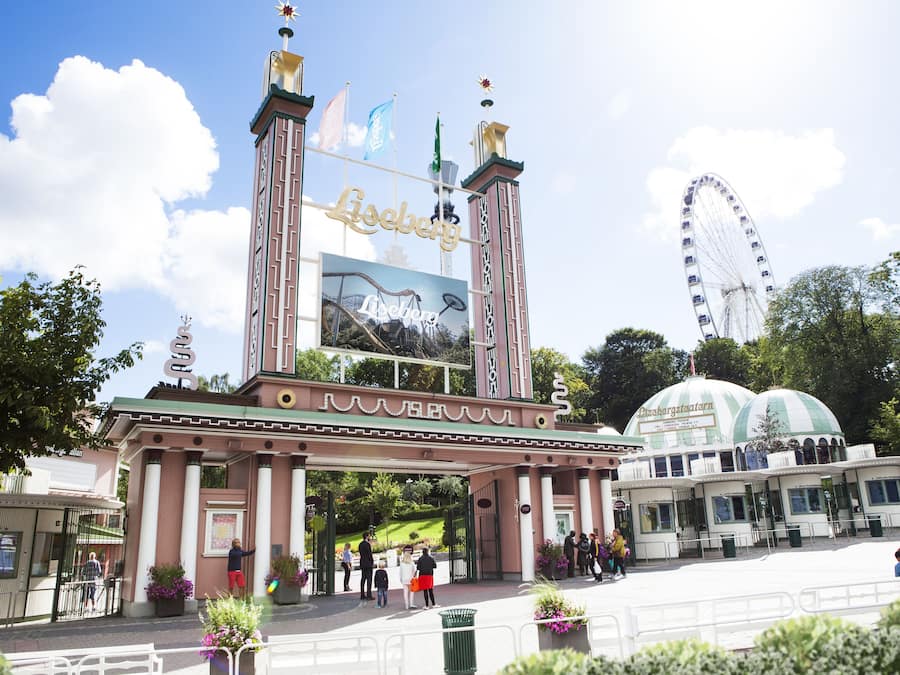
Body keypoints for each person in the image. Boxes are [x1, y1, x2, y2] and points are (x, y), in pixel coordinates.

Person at [399, 545, 417, 609]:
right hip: (410, 579)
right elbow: (414, 570)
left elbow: (400, 572)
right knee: (411, 592)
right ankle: (411, 604)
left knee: (405, 592)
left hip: (404, 579)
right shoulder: (412, 563)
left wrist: (400, 579)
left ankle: (406, 605)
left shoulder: (402, 563)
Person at [359, 532, 374, 601]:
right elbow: (369, 554)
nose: (370, 537)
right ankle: (369, 595)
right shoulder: (367, 544)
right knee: (369, 579)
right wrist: (372, 561)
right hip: (368, 564)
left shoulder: (360, 544)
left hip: (362, 563)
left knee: (363, 579)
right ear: (367, 536)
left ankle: (362, 594)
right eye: (369, 536)